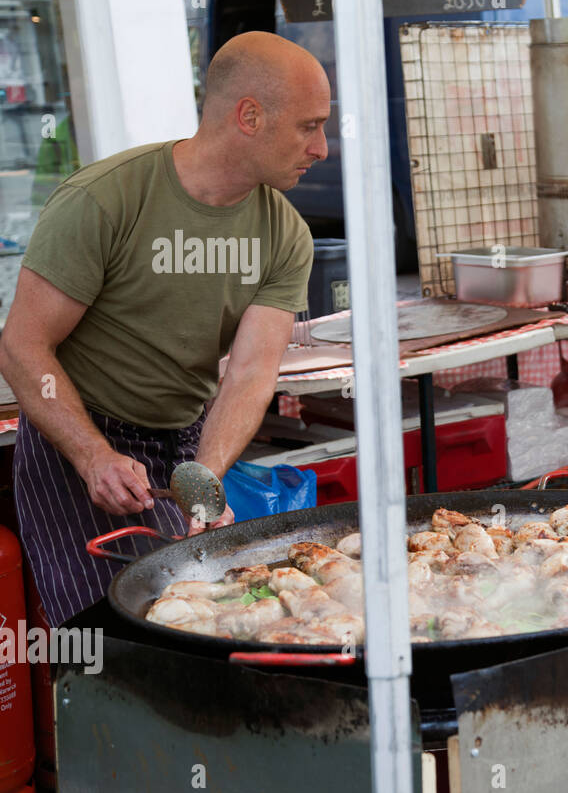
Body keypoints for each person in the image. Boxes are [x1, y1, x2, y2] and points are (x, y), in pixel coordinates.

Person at [0, 31, 329, 626]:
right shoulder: (105, 200)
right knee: (109, 640)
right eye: (310, 126)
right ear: (248, 116)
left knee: (192, 618)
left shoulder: (285, 233)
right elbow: (24, 348)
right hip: (79, 432)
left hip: (185, 437)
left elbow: (253, 373)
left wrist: (207, 474)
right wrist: (93, 456)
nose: (324, 148)